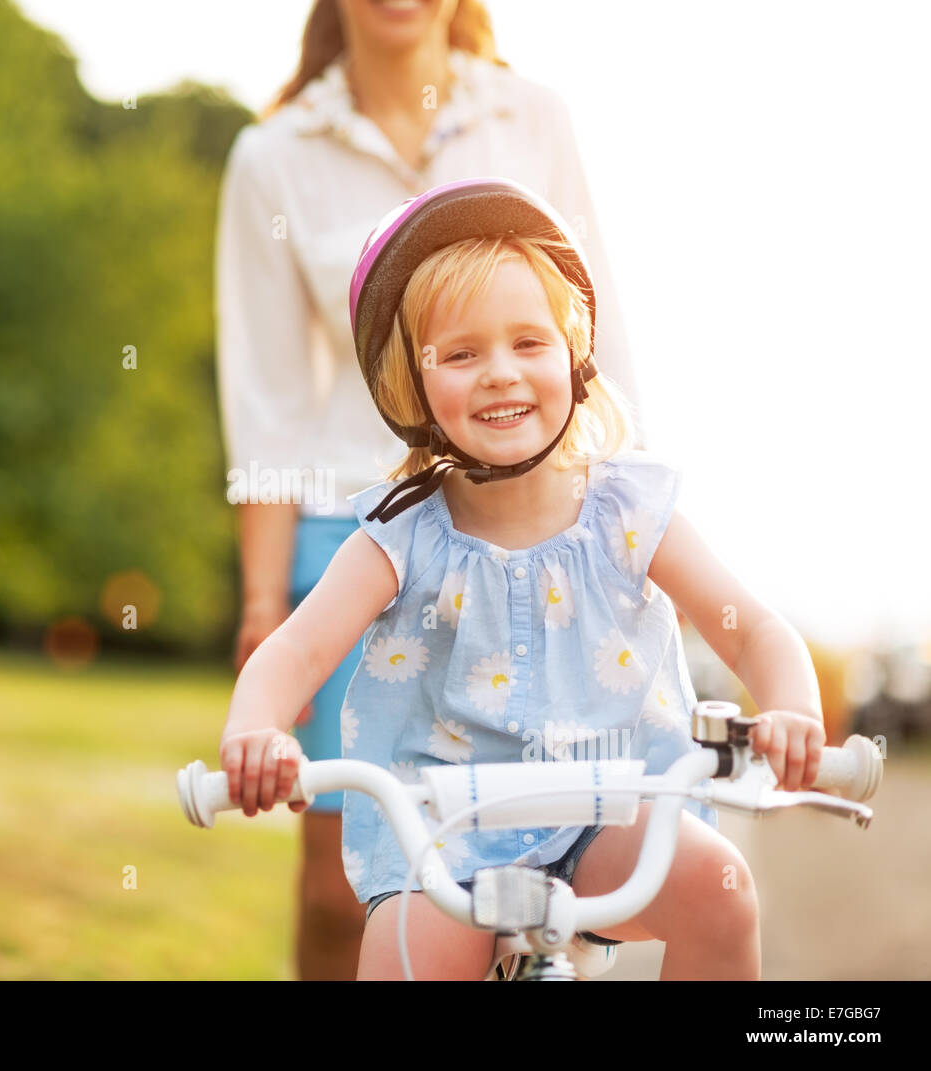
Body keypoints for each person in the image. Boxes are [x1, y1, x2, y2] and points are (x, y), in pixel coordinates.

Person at [219, 177, 827, 980]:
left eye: (528, 343)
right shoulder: (398, 535)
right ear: (413, 384)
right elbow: (295, 652)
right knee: (403, 958)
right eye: (462, 353)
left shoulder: (630, 512)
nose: (500, 372)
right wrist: (255, 730)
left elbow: (751, 627)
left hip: (611, 812)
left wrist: (791, 709)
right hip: (446, 831)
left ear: (574, 357)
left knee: (721, 891)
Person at [215, 0, 643, 981]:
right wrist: (258, 598)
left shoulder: (531, 116)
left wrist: (623, 525)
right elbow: (267, 401)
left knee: (556, 861)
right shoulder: (273, 155)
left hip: (536, 524)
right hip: (354, 530)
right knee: (345, 886)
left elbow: (598, 333)